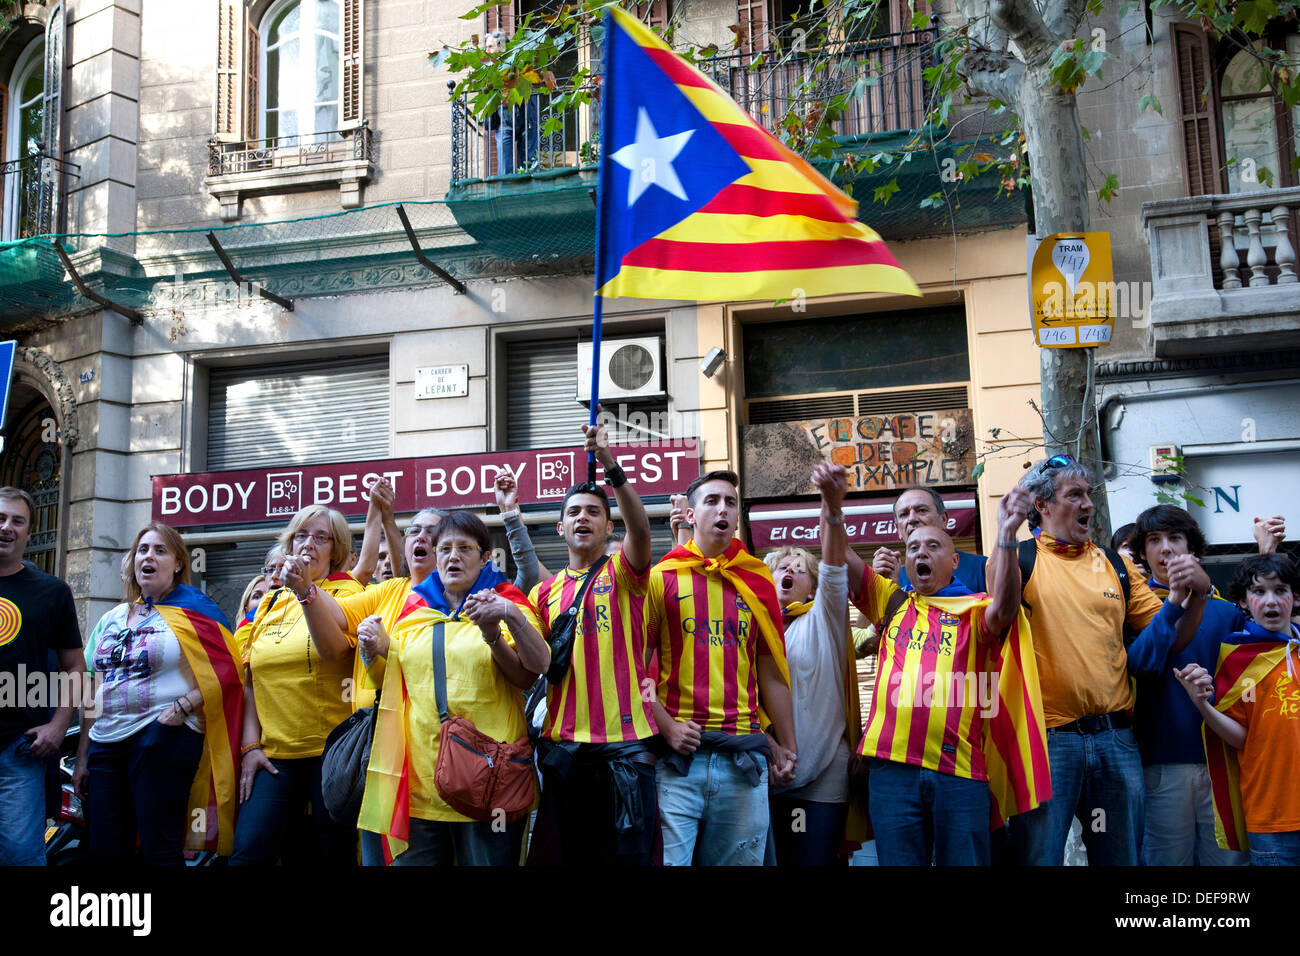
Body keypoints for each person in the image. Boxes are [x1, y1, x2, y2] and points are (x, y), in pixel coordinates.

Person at [1002, 455, 1211, 866]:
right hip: (1047, 741)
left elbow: (1171, 639)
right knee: (1039, 856)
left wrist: (1197, 595)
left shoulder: (1116, 565)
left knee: (1116, 857)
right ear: (1042, 506)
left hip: (1115, 740)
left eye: (1090, 495)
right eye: (1075, 495)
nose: (1088, 504)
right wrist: (1003, 535)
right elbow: (998, 619)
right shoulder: (1017, 559)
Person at [327, 510, 548, 865]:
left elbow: (536, 668)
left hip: (488, 784)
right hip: (419, 789)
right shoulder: (413, 610)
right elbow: (394, 684)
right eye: (444, 549)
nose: (453, 557)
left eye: (465, 548)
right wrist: (373, 652)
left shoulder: (504, 600)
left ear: (485, 557)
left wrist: (505, 618)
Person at [853, 476, 1048, 865]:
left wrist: (1007, 534)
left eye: (931, 542)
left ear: (953, 553)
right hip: (891, 770)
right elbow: (841, 558)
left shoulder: (975, 606)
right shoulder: (892, 600)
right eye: (912, 546)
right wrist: (832, 503)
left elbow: (1005, 608)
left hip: (959, 769)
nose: (919, 545)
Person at [647, 469, 797, 866]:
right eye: (711, 501)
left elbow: (770, 672)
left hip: (743, 760)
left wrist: (788, 746)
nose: (723, 508)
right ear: (691, 516)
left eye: (730, 501)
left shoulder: (758, 580)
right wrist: (666, 726)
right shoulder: (660, 578)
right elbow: (636, 670)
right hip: (677, 762)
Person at [73, 523, 244, 863]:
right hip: (105, 743)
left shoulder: (197, 611)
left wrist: (181, 709)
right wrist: (83, 755)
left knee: (159, 849)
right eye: (143, 550)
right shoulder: (112, 618)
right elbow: (92, 682)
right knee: (105, 850)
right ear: (133, 561)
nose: (149, 556)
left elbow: (229, 669)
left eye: (160, 550)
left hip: (163, 739)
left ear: (179, 563)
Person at [528, 420, 656, 865]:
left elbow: (640, 532)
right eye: (574, 512)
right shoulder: (541, 594)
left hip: (626, 751)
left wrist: (608, 462)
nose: (583, 517)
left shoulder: (624, 573)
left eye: (594, 512)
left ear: (607, 527)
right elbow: (529, 666)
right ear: (560, 529)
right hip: (563, 751)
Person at [230, 504, 365, 866]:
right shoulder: (270, 601)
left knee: (331, 857)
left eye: (321, 537)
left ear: (335, 550)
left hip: (333, 756)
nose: (309, 543)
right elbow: (250, 681)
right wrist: (249, 748)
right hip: (274, 757)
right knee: (247, 854)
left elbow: (334, 650)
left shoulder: (348, 593)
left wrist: (306, 590)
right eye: (301, 535)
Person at [1125, 504, 1248, 865]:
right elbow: (1142, 663)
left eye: (1175, 538)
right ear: (1142, 554)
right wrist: (1176, 602)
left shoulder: (1226, 612)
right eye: (1154, 540)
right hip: (1159, 762)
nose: (1166, 548)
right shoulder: (1131, 608)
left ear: (1192, 549)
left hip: (1222, 763)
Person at [1174, 553, 1300, 865]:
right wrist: (1201, 703)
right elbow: (1242, 738)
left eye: (1280, 590)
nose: (1270, 602)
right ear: (1243, 602)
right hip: (1272, 818)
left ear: (1295, 599)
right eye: (1258, 592)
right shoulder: (1238, 659)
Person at [763, 463, 853, 866]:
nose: (790, 572)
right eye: (782, 567)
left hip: (817, 778)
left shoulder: (822, 617)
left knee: (809, 860)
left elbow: (834, 569)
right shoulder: (750, 627)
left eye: (800, 571)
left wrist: (831, 506)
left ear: (814, 588)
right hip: (762, 776)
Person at [0, 487, 84, 866]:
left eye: (17, 521)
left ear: (29, 534)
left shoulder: (52, 592)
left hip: (20, 746)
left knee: (20, 855)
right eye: (1, 518)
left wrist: (57, 726)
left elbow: (76, 667)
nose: (7, 527)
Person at [870, 487, 988, 593]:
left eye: (921, 510)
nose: (912, 519)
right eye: (904, 514)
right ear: (898, 530)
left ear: (943, 519)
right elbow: (873, 617)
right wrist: (877, 586)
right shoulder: (891, 577)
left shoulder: (982, 568)